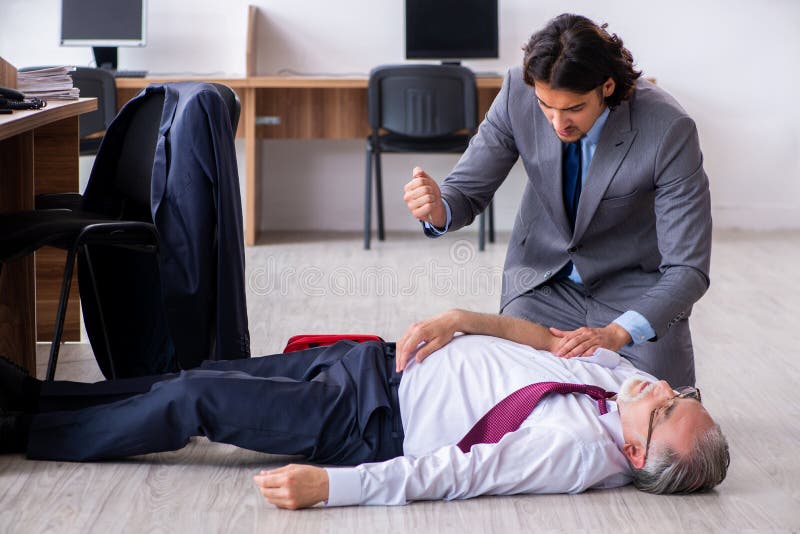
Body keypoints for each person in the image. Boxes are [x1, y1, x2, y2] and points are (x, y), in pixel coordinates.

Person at [0, 310, 728, 510]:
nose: (662, 390)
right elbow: (540, 337)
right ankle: (31, 395)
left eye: (665, 412)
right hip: (375, 362)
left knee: (195, 401)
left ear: (635, 455)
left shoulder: (575, 450)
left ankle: (24, 429)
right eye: (680, 396)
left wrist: (334, 486)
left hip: (366, 423)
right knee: (196, 374)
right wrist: (463, 317)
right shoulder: (626, 377)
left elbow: (452, 473)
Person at [403, 14, 712, 387]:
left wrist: (616, 334)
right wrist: (440, 208)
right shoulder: (518, 90)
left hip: (633, 289)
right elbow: (467, 189)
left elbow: (687, 269)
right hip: (543, 283)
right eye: (546, 106)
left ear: (608, 86)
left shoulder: (668, 129)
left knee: (664, 420)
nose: (556, 123)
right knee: (509, 392)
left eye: (574, 109)